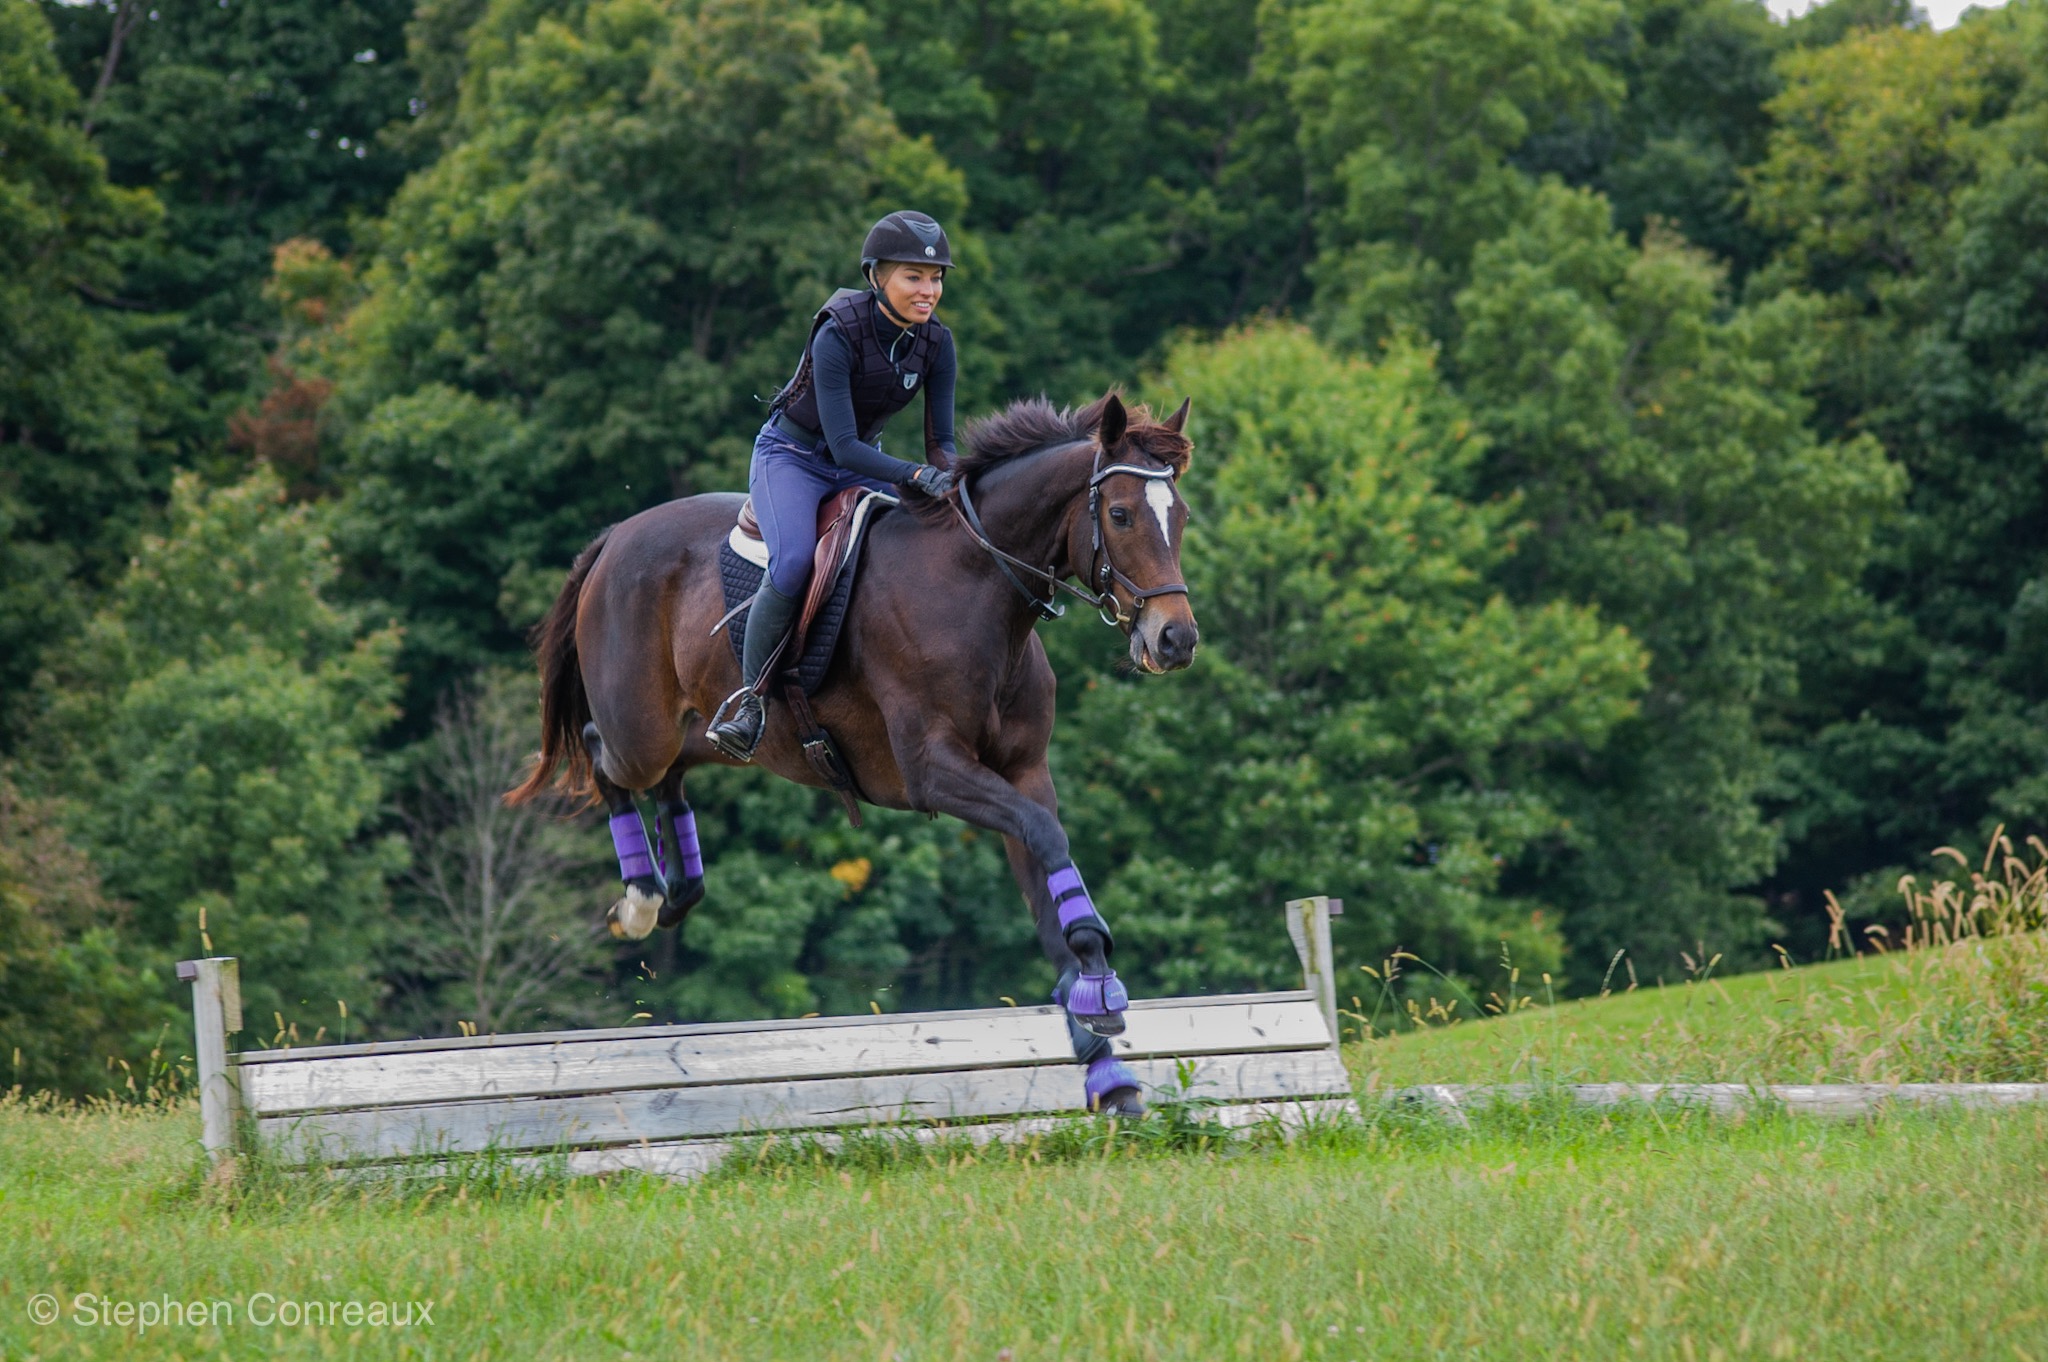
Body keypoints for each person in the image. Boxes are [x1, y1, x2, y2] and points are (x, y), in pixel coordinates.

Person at [706, 210, 963, 761]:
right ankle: (749, 702)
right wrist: (916, 474)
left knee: (939, 535)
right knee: (795, 560)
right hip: (794, 457)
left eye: (936, 277)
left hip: (859, 462)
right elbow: (844, 447)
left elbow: (942, 441)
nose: (929, 290)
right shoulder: (839, 330)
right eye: (913, 277)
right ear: (877, 279)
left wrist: (960, 483)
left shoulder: (937, 344)